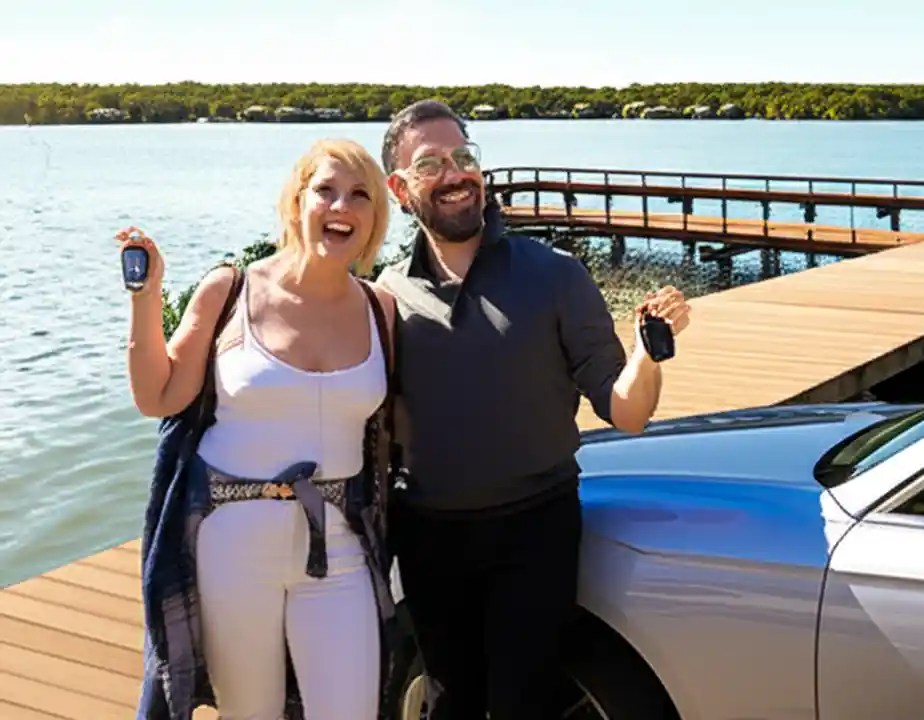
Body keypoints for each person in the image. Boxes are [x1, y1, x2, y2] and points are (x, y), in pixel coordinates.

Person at [375, 99, 692, 719]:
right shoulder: (386, 293)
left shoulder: (556, 275)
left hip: (534, 530)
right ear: (399, 186)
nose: (456, 174)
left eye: (465, 157)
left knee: (525, 704)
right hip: (427, 535)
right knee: (447, 703)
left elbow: (626, 412)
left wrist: (648, 356)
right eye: (432, 163)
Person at [124, 138, 403, 720]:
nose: (340, 207)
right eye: (325, 190)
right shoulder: (232, 290)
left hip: (338, 544)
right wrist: (146, 298)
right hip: (232, 545)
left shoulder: (381, 308)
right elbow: (159, 396)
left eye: (360, 196)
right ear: (297, 201)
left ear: (376, 216)